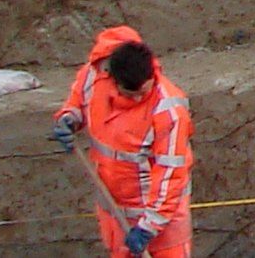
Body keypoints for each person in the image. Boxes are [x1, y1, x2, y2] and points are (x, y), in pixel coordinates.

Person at [50, 27, 192, 258]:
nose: (137, 98)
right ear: (112, 79)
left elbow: (171, 174)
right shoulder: (94, 77)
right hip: (115, 213)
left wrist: (149, 227)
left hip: (161, 221)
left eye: (142, 91)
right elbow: (78, 101)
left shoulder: (169, 110)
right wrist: (69, 119)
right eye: (129, 93)